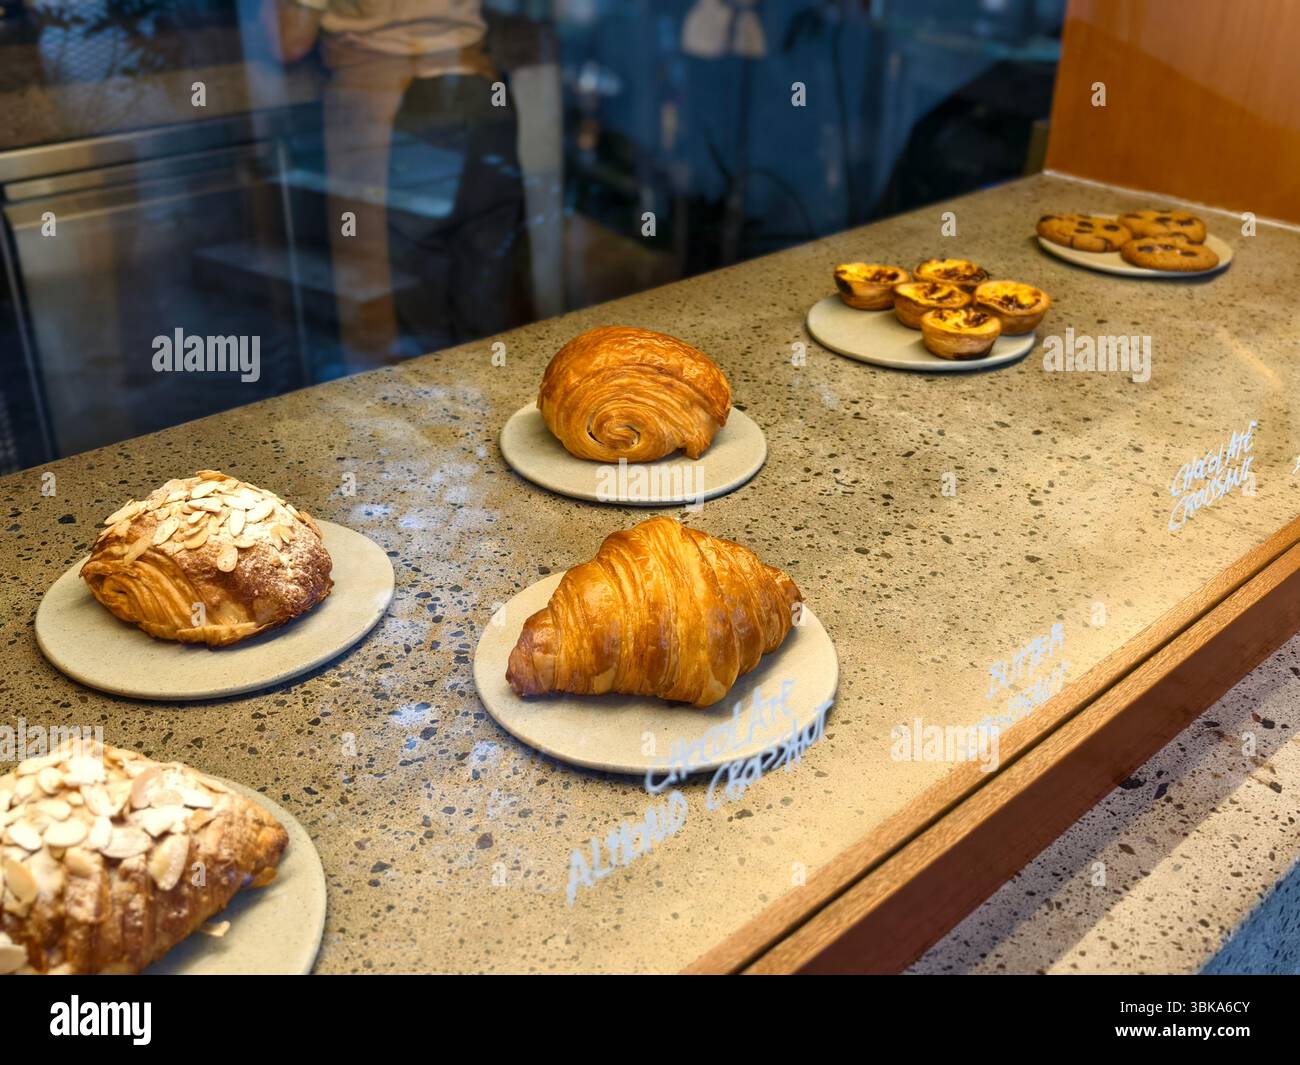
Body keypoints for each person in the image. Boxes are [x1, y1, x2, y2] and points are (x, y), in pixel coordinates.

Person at [263, 0, 532, 364]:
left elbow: (288, 41)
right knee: (489, 303)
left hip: (385, 103)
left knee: (392, 320)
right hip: (480, 90)